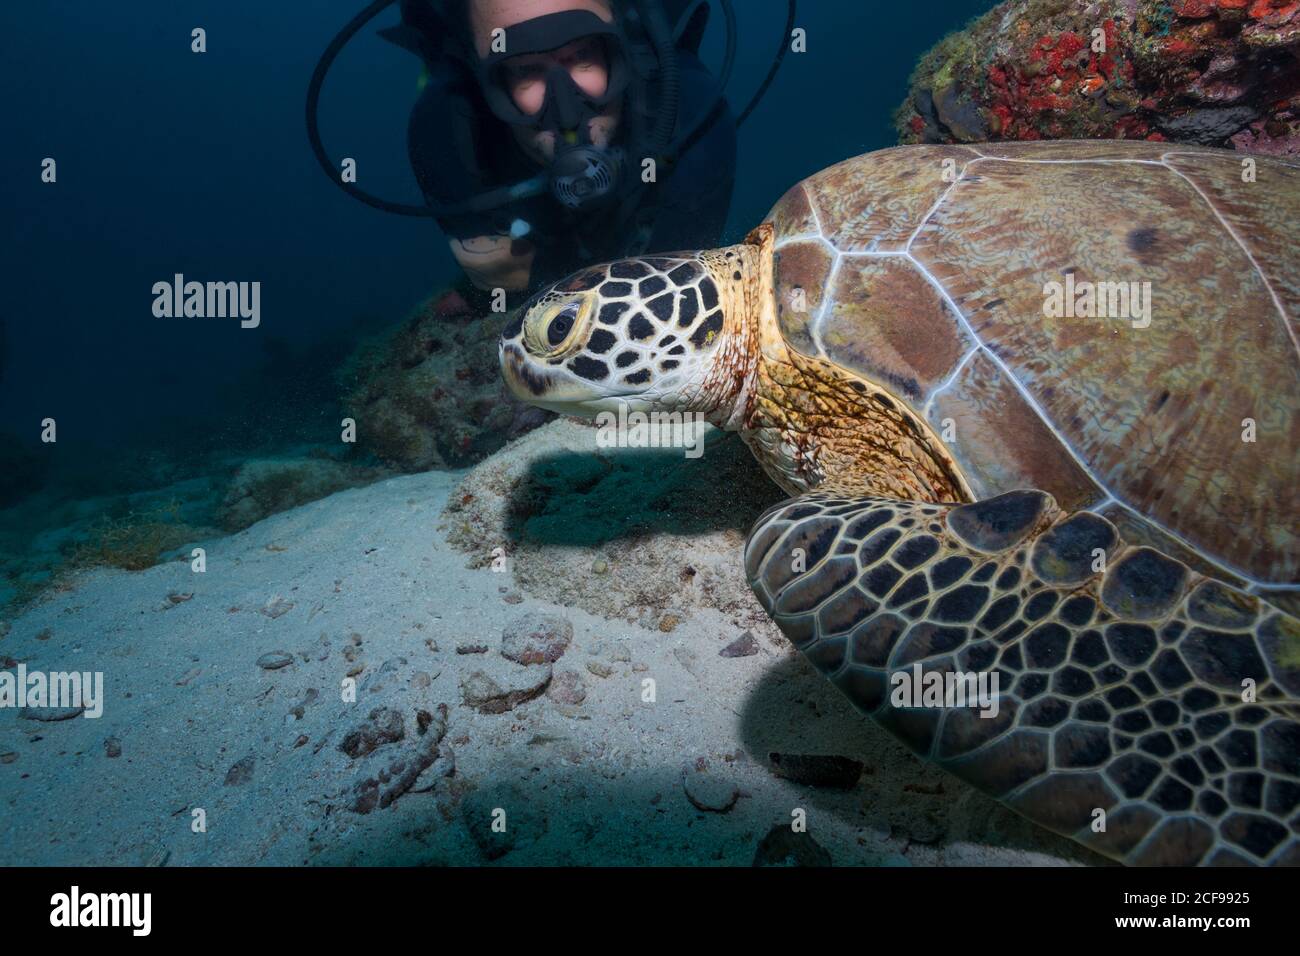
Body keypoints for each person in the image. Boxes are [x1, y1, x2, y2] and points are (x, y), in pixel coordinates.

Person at [398, 0, 737, 303]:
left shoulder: (693, 120)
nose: (567, 114)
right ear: (479, 82)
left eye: (582, 54)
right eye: (524, 69)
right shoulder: (444, 138)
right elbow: (498, 285)